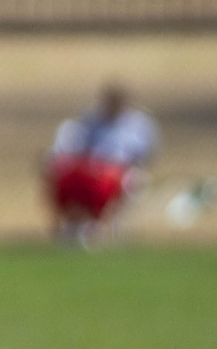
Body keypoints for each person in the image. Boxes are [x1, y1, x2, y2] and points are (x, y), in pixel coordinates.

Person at [43, 83, 158, 243]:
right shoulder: (92, 120)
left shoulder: (139, 124)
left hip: (122, 169)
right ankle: (76, 224)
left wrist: (120, 167)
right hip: (93, 169)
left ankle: (104, 227)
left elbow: (145, 155)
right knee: (72, 180)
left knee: (121, 182)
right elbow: (80, 146)